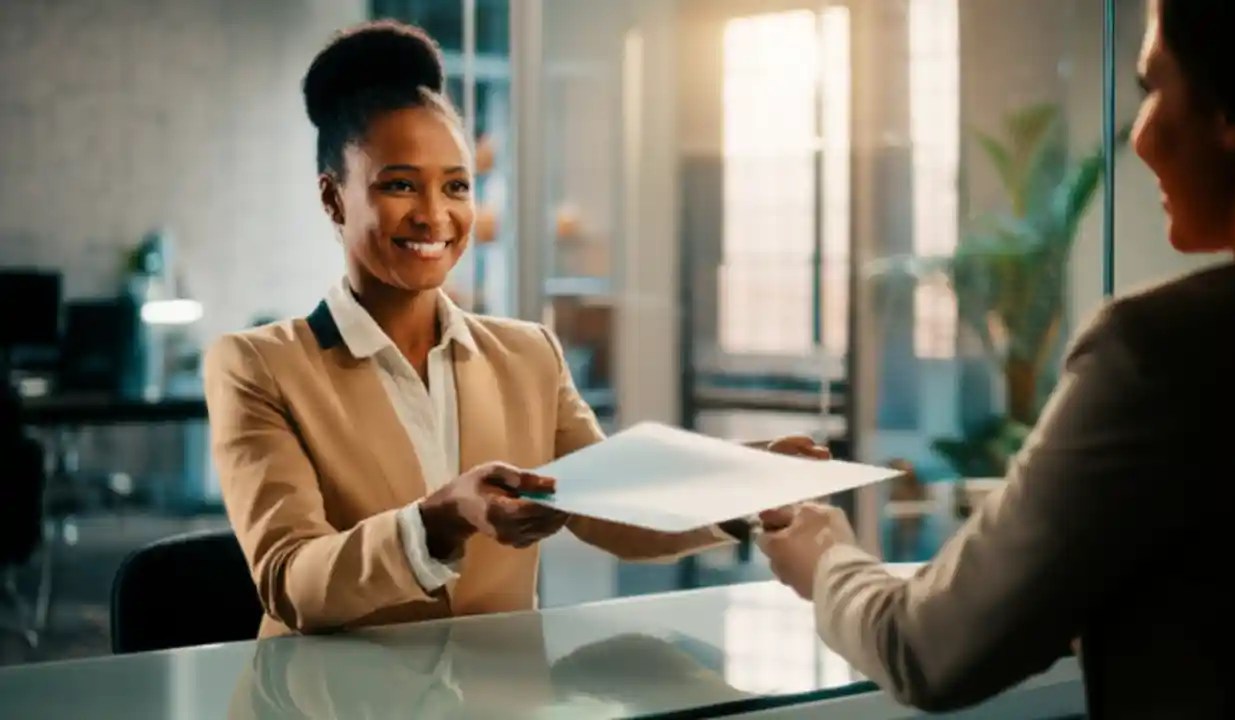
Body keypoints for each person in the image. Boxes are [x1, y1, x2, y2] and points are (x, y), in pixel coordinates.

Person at [204, 20, 826, 639]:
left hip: (499, 696)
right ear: (334, 200)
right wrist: (436, 522)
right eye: (399, 185)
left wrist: (745, 485)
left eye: (455, 186)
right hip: (327, 703)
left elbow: (613, 510)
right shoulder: (259, 366)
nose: (434, 215)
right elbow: (292, 581)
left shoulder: (529, 354)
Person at [757, 1, 1235, 716]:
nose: (1142, 137)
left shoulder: (1162, 352)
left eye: (1154, 88)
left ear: (1232, 108)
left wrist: (827, 559)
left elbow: (926, 648)